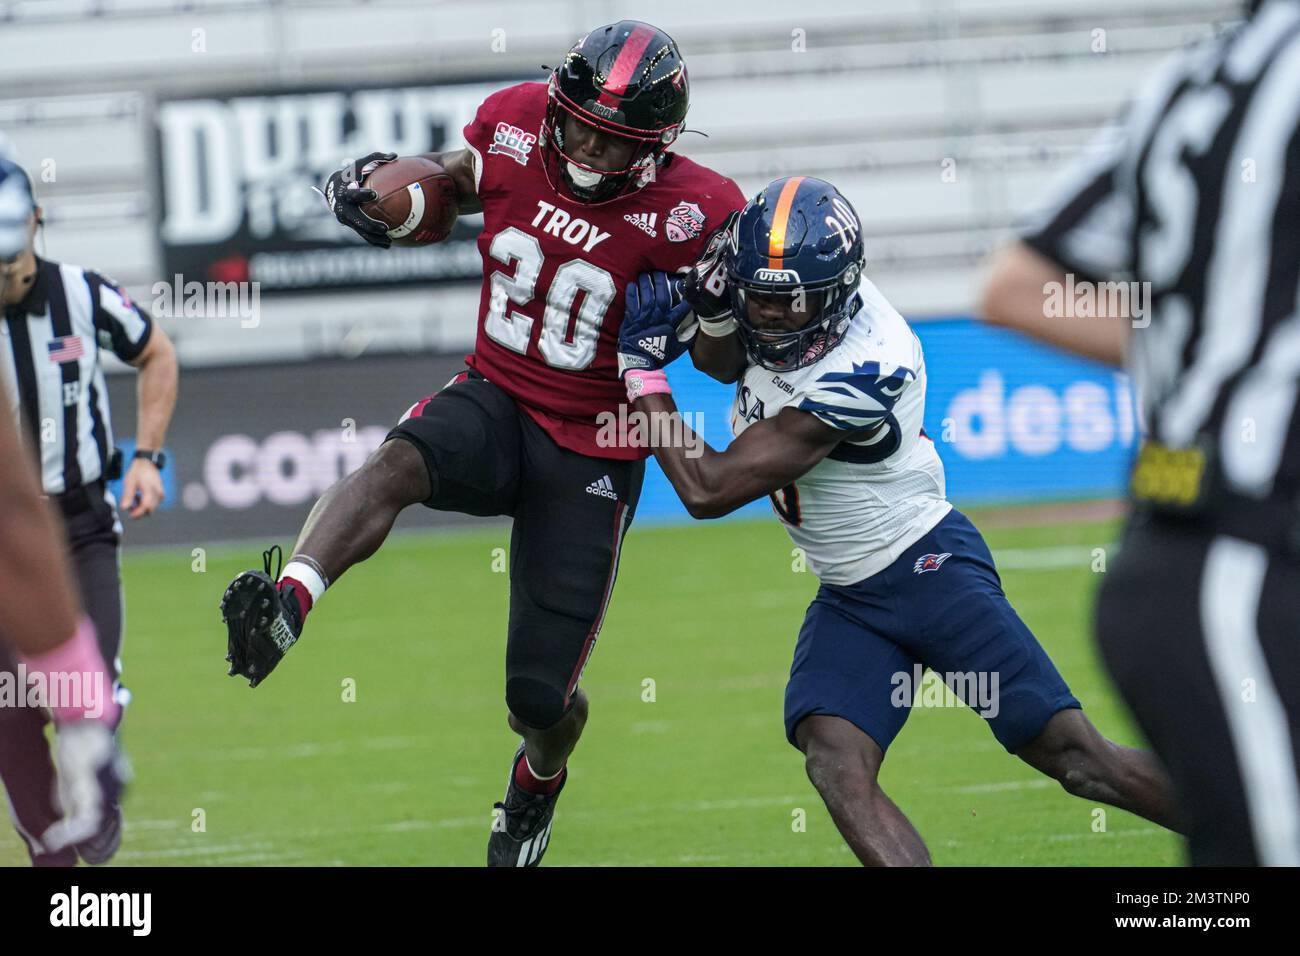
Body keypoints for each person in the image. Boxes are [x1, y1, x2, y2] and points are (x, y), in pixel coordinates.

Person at [220, 20, 745, 866]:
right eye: (576, 124)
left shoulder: (701, 210)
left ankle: (534, 792)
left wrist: (714, 312)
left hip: (596, 447)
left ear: (656, 145)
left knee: (539, 702)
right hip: (496, 392)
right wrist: (394, 201)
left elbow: (722, 365)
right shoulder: (512, 118)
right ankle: (291, 603)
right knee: (396, 464)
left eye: (613, 142)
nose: (585, 148)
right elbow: (466, 180)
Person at [617, 175, 1180, 865]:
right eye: (755, 297)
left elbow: (709, 488)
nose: (768, 318)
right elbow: (727, 355)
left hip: (925, 569)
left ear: (837, 294)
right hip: (850, 593)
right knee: (834, 761)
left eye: (787, 304)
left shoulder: (868, 364)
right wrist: (710, 314)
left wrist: (642, 375)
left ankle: (1257, 825)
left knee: (1079, 761)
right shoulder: (785, 292)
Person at [980, 0, 1300, 865]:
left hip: (1189, 558)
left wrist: (1206, 359)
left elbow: (1017, 285)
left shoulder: (1191, 78)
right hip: (1249, 561)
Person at [0, 153, 129, 866]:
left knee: (17, 732)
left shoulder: (74, 294)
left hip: (76, 520)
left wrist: (82, 708)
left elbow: (18, 518)